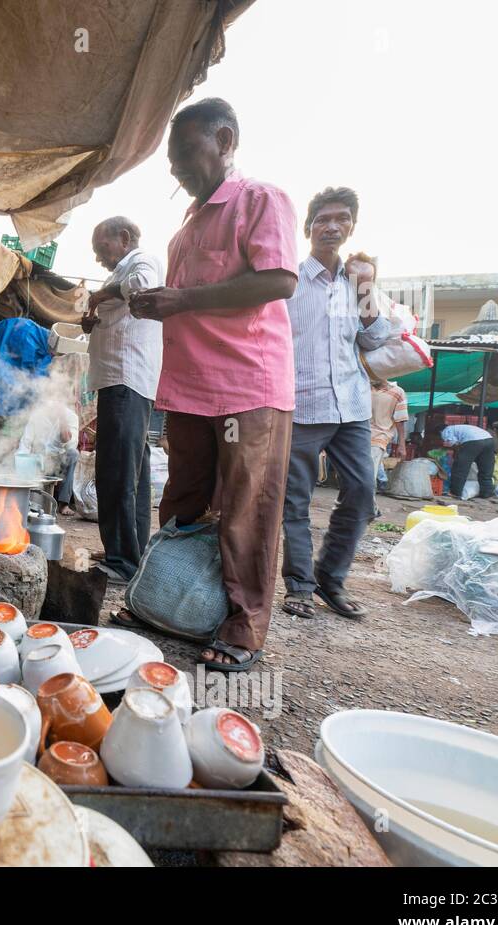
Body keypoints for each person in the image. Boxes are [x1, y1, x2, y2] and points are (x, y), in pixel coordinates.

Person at [127, 98, 298, 671]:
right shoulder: (188, 226)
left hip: (247, 386)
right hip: (189, 387)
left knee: (247, 509)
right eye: (171, 161)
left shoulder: (259, 199)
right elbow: (187, 305)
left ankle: (244, 627)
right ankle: (165, 603)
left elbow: (278, 279)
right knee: (181, 502)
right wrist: (157, 306)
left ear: (224, 141)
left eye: (184, 155)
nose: (176, 169)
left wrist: (181, 300)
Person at [279, 194, 389, 621]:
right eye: (323, 219)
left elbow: (375, 337)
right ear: (308, 228)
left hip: (352, 407)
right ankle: (301, 587)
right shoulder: (289, 281)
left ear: (351, 227)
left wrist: (366, 286)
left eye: (342, 219)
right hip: (302, 404)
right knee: (296, 501)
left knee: (362, 492)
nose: (332, 226)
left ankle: (331, 578)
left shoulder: (356, 281)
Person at [80, 216, 164, 583]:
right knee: (133, 473)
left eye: (103, 248)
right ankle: (130, 553)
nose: (100, 258)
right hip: (125, 382)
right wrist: (93, 321)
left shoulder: (142, 261)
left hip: (126, 381)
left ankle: (121, 561)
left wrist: (100, 296)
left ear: (124, 237)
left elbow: (141, 288)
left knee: (115, 472)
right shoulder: (124, 268)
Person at [18, 400, 80, 513]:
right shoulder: (37, 415)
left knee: (73, 454)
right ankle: (27, 498)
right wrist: (20, 462)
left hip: (58, 463)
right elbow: (25, 442)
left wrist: (63, 422)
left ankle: (63, 504)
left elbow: (71, 445)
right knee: (22, 456)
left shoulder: (71, 417)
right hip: (38, 462)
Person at [369, 377, 409, 487]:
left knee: (369, 473)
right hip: (358, 435)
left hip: (379, 437)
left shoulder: (398, 392)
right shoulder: (365, 387)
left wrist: (402, 445)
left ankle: (368, 503)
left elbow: (400, 420)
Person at [441, 423, 497, 497]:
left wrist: (454, 454)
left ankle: (455, 492)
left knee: (460, 467)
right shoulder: (461, 427)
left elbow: (452, 442)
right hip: (489, 439)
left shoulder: (446, 430)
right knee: (486, 468)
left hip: (473, 441)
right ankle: (487, 492)